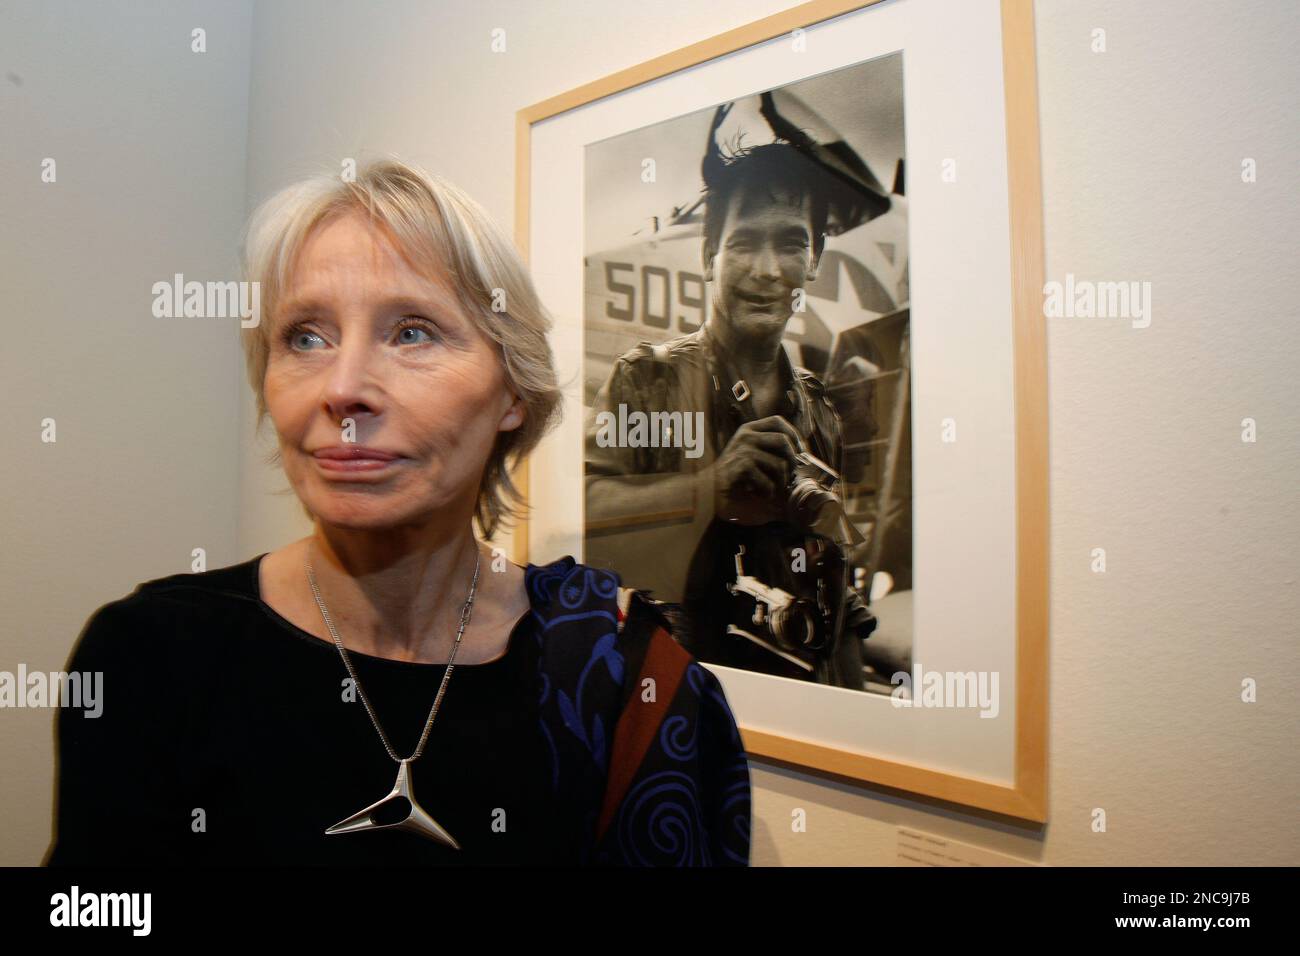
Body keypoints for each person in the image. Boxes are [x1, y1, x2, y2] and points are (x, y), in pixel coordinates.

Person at [45, 157, 751, 867]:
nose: (344, 389)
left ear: (513, 393)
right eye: (305, 337)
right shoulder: (150, 654)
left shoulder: (617, 674)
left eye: (412, 332)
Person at [585, 115, 884, 690]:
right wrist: (710, 491)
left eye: (791, 242)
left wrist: (850, 713)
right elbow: (585, 514)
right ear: (709, 255)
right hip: (675, 701)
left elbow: (835, 590)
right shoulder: (650, 379)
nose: (768, 270)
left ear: (815, 259)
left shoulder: (819, 412)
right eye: (745, 241)